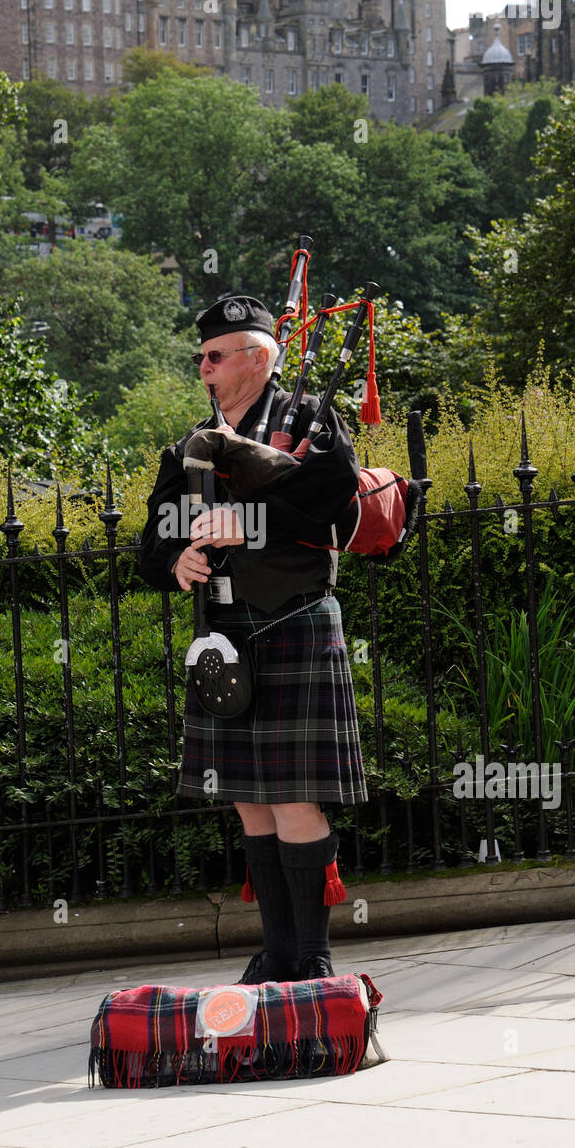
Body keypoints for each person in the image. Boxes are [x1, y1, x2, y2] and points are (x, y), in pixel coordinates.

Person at [138, 295, 369, 984]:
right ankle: (276, 952)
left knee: (294, 794)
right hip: (223, 631)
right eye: (200, 357)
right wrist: (173, 558)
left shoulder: (307, 420)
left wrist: (249, 524)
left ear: (256, 358)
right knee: (248, 796)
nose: (201, 366)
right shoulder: (189, 445)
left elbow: (335, 503)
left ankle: (313, 956)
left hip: (294, 617)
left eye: (213, 355)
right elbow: (154, 536)